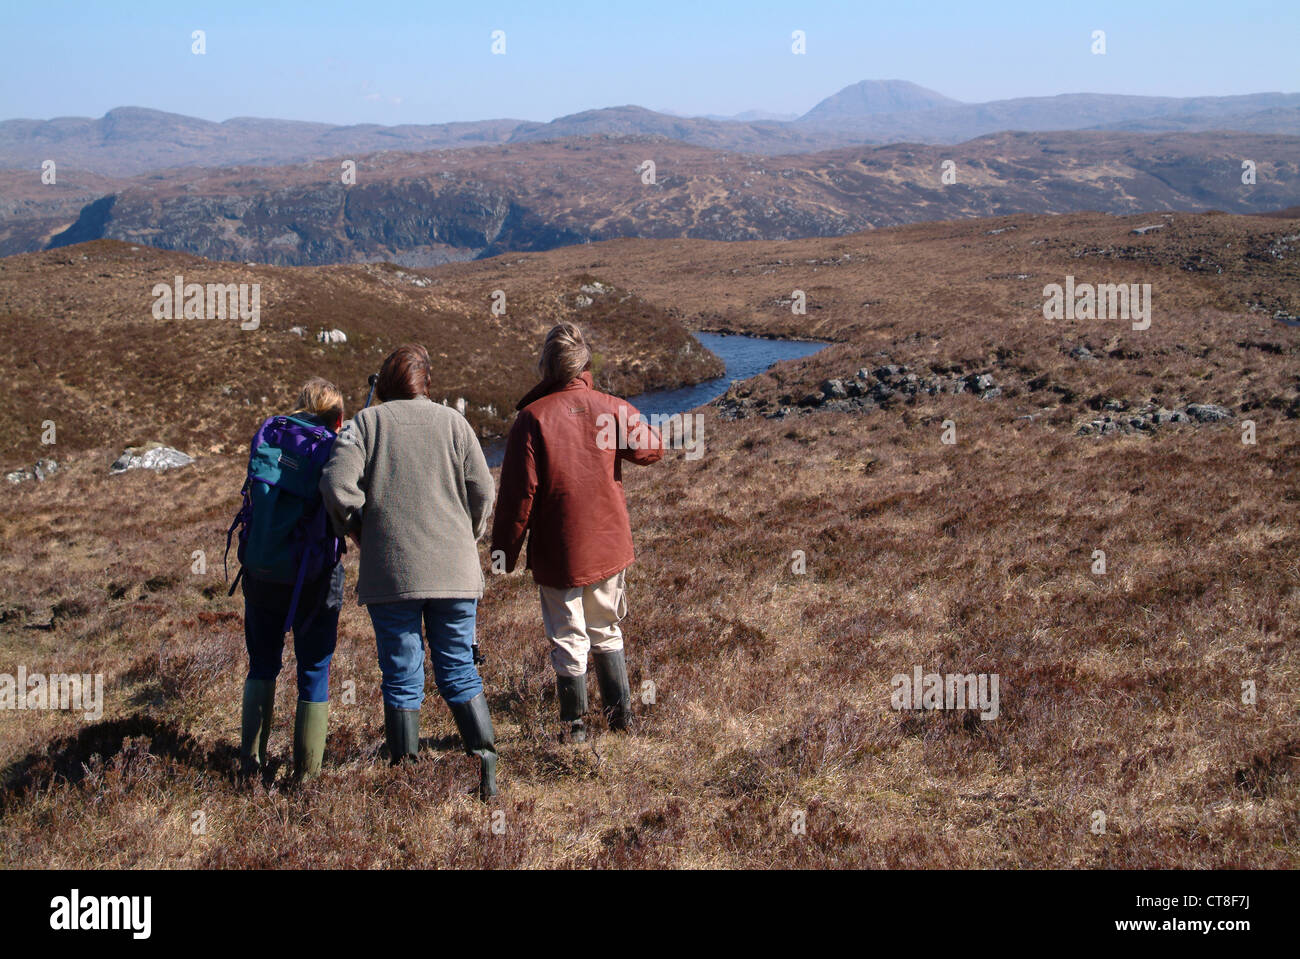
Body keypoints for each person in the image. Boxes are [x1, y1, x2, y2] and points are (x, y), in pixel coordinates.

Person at [320, 344, 498, 799]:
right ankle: (486, 767)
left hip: (391, 573)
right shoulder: (454, 423)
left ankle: (405, 775)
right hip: (454, 570)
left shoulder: (366, 424)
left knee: (402, 673)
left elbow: (336, 484)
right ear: (426, 383)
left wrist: (360, 530)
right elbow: (483, 489)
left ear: (385, 383)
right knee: (458, 665)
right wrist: (468, 537)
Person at [492, 322, 664, 742]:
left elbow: (518, 498)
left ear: (547, 367)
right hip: (607, 544)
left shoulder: (531, 420)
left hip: (559, 552)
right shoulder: (610, 407)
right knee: (606, 627)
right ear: (583, 363)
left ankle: (576, 729)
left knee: (569, 637)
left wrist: (504, 553)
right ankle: (620, 718)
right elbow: (651, 449)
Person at [236, 378, 346, 782]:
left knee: (262, 664)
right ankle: (306, 779)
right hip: (315, 577)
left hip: (261, 569)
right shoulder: (333, 446)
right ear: (336, 417)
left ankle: (250, 765)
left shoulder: (272, 434)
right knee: (314, 668)